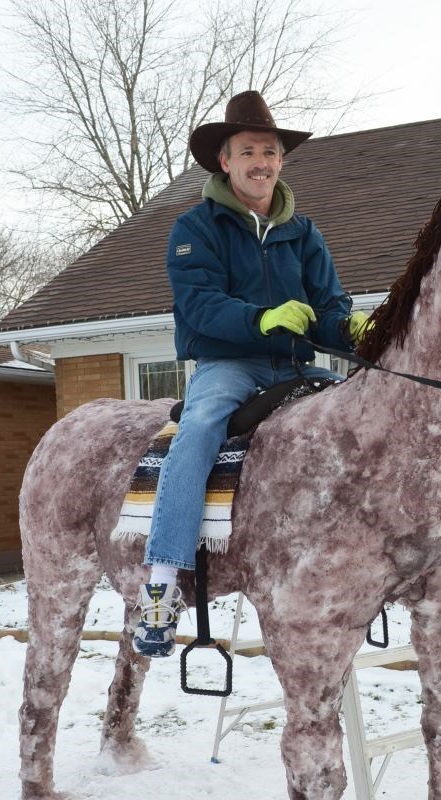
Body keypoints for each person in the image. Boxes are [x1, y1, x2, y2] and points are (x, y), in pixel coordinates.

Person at [133, 90, 370, 658]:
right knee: (200, 428)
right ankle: (161, 586)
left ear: (281, 160)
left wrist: (357, 331)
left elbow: (329, 309)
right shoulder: (197, 228)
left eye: (269, 151)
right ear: (225, 160)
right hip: (228, 363)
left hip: (291, 364)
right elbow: (199, 307)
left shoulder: (304, 233)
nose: (260, 162)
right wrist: (262, 318)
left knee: (362, 419)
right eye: (248, 152)